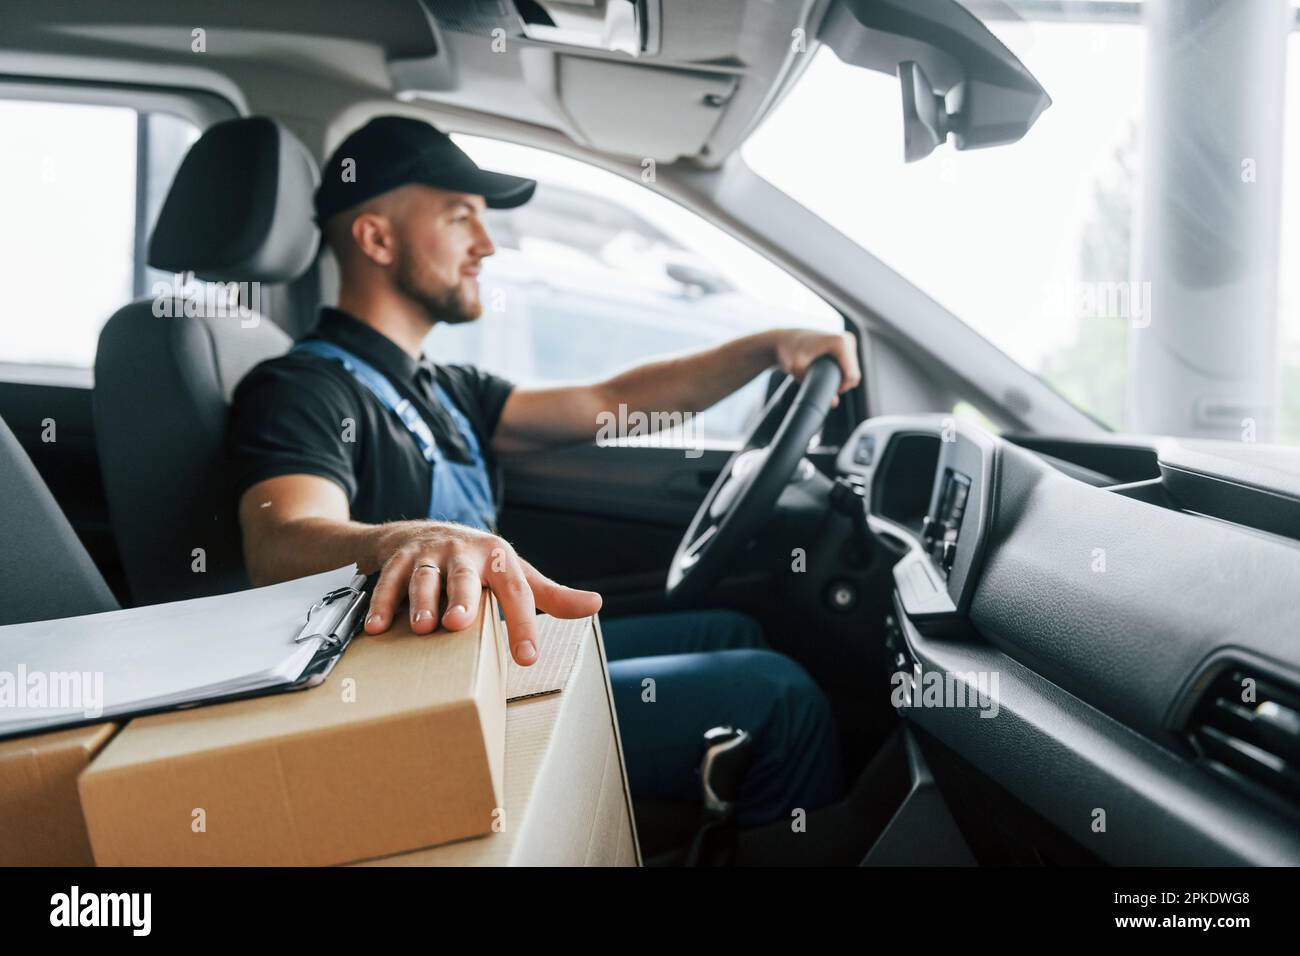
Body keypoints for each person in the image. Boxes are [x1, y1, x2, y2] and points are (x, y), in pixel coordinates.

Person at [227, 116, 860, 826]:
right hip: (418, 696)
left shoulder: (444, 386)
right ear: (376, 238)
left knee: (728, 632)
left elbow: (613, 403)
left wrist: (771, 347)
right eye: (461, 217)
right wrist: (407, 541)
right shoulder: (303, 389)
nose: (488, 244)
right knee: (779, 696)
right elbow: (279, 541)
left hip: (489, 654)